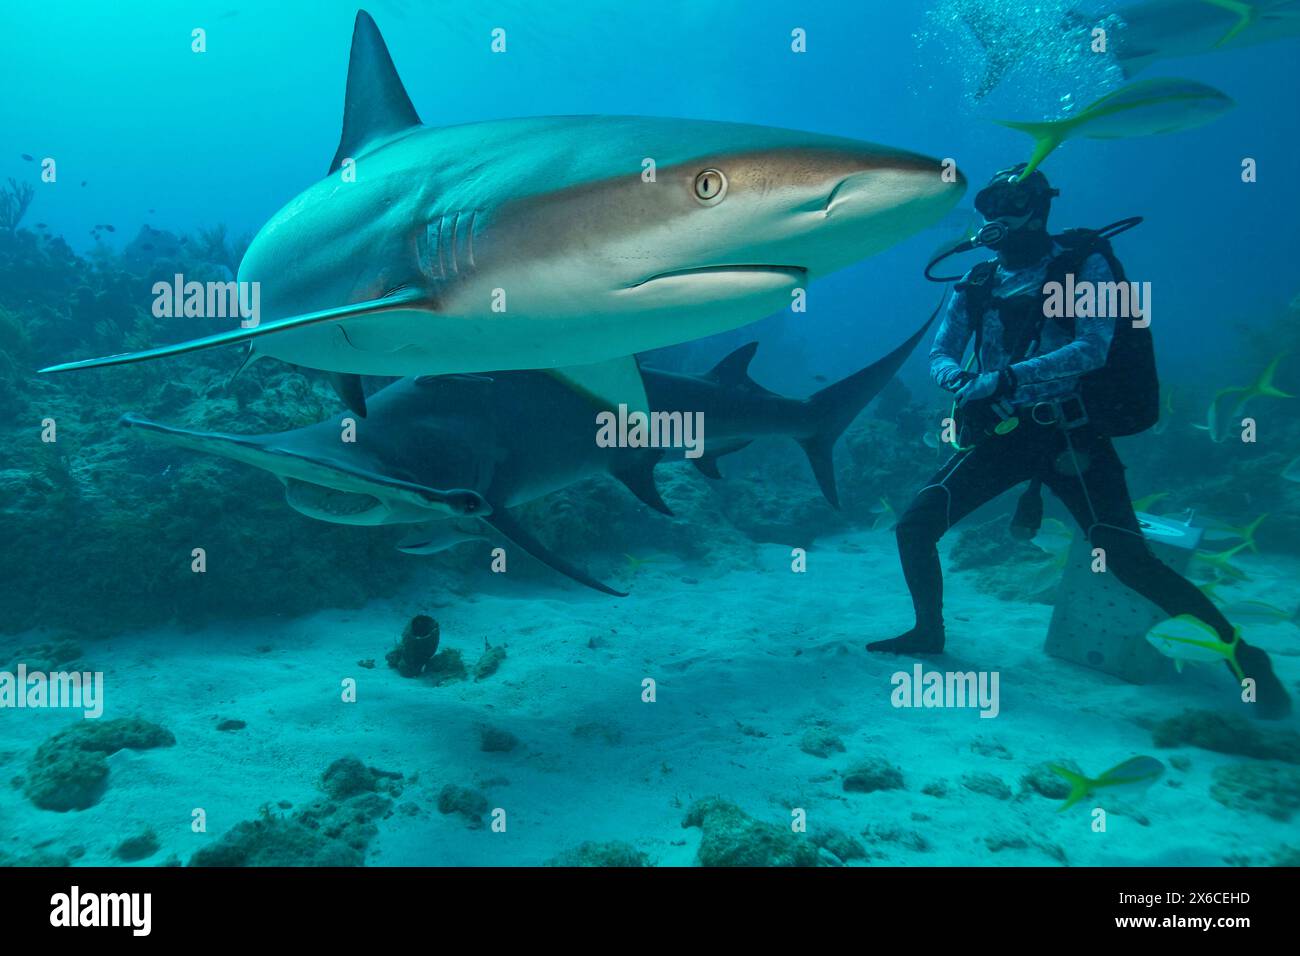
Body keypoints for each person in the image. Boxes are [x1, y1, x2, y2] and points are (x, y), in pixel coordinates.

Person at [868, 163, 1291, 720]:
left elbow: (1094, 346)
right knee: (915, 525)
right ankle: (928, 631)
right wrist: (961, 383)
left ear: (1040, 208)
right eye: (988, 206)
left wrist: (1007, 378)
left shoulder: (1082, 263)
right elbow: (941, 352)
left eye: (1011, 203)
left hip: (1070, 432)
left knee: (1127, 560)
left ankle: (1245, 657)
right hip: (1002, 433)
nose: (997, 216)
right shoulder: (976, 282)